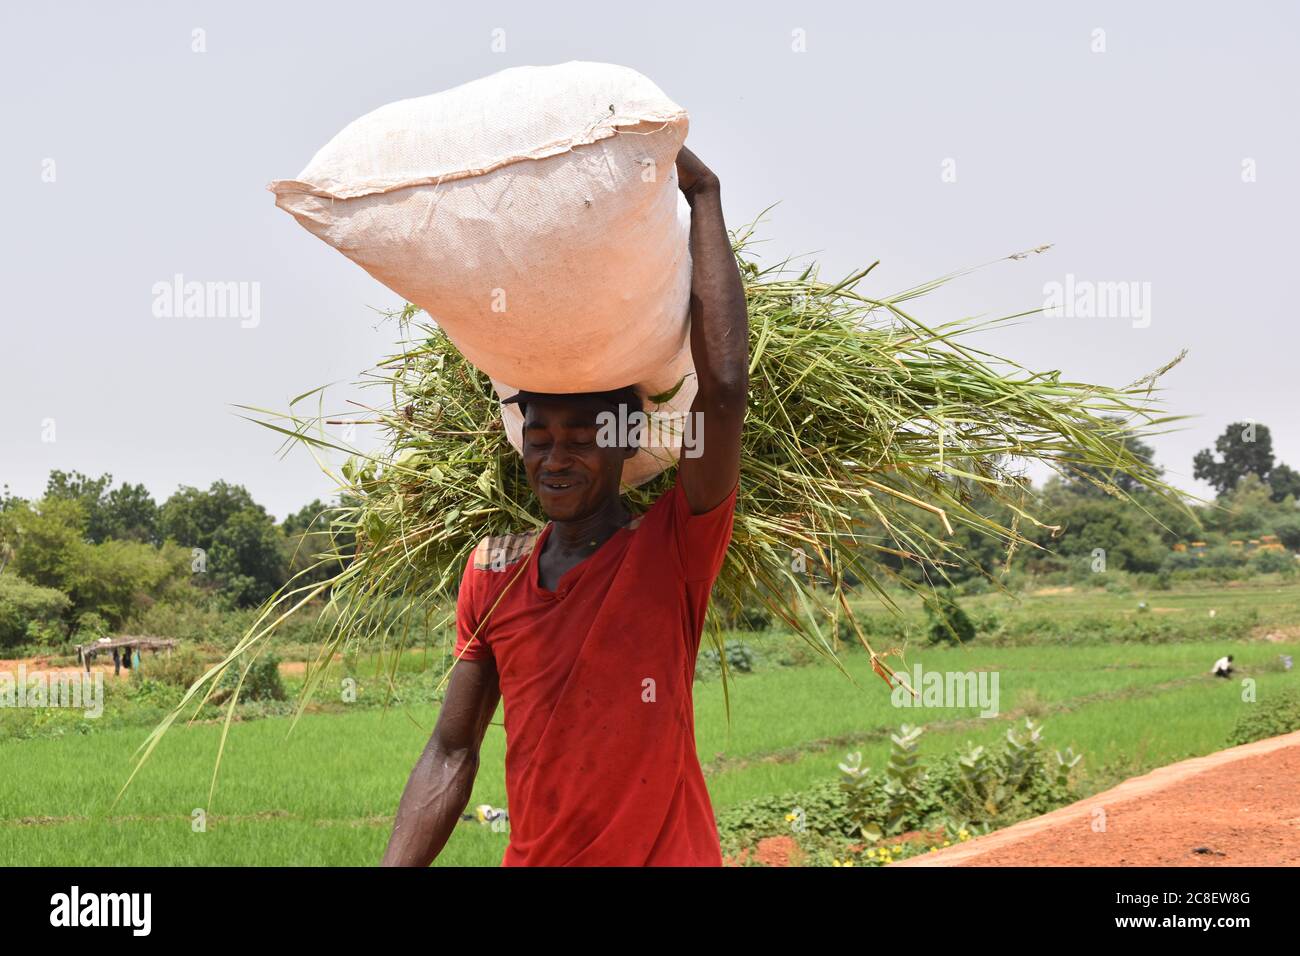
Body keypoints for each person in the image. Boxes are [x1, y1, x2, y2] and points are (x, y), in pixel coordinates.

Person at [381, 146, 748, 867]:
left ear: (624, 441)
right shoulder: (491, 573)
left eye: (580, 437)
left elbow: (726, 392)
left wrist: (703, 195)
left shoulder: (672, 548)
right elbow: (453, 750)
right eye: (540, 436)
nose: (554, 458)